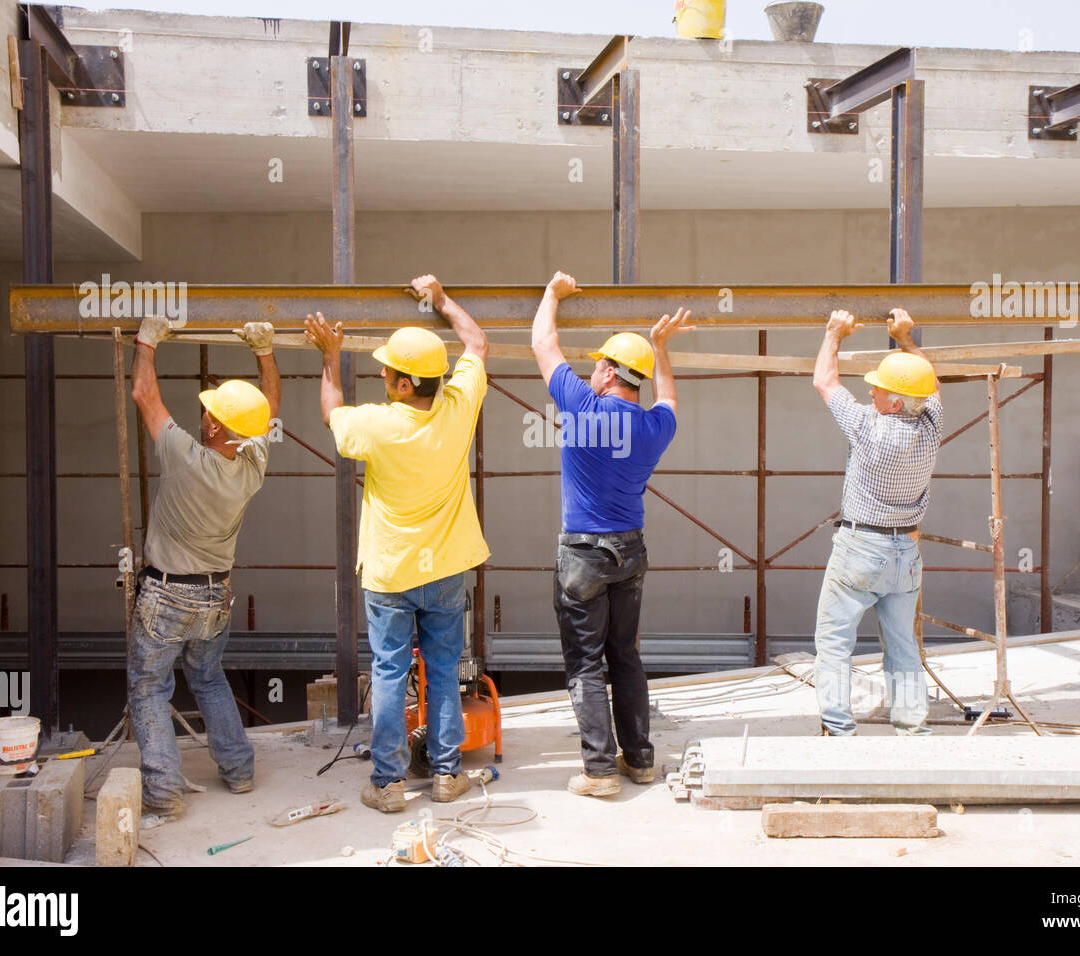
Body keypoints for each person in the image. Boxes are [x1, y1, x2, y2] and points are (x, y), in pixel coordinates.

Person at [305, 275, 490, 813]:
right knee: (443, 668)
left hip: (392, 572)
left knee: (388, 671)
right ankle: (446, 775)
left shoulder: (380, 426)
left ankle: (388, 784)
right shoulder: (457, 407)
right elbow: (477, 344)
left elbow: (331, 413)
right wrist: (442, 298)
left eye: (387, 369)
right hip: (448, 570)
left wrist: (330, 355)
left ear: (406, 384)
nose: (381, 371)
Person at [530, 270, 693, 797]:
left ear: (605, 371)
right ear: (636, 379)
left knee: (584, 662)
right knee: (625, 654)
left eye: (596, 364)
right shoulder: (654, 427)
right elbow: (668, 395)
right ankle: (640, 760)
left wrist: (553, 294)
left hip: (583, 555)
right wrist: (661, 348)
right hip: (630, 552)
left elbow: (541, 342)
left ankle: (599, 772)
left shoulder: (581, 407)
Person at [128, 316, 280, 819]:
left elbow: (144, 396)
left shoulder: (182, 456)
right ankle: (238, 772)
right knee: (209, 677)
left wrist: (147, 341)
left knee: (150, 688)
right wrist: (266, 351)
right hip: (215, 596)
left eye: (209, 413)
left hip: (166, 594)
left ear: (215, 426)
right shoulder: (251, 465)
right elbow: (268, 409)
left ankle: (165, 795)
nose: (204, 417)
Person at [811, 306, 941, 737]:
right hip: (905, 553)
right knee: (903, 645)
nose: (872, 394)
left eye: (880, 390)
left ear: (897, 402)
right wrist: (905, 338)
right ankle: (911, 727)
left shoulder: (869, 427)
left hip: (860, 548)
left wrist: (834, 334)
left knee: (834, 642)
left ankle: (838, 729)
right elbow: (932, 384)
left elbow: (824, 381)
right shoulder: (932, 425)